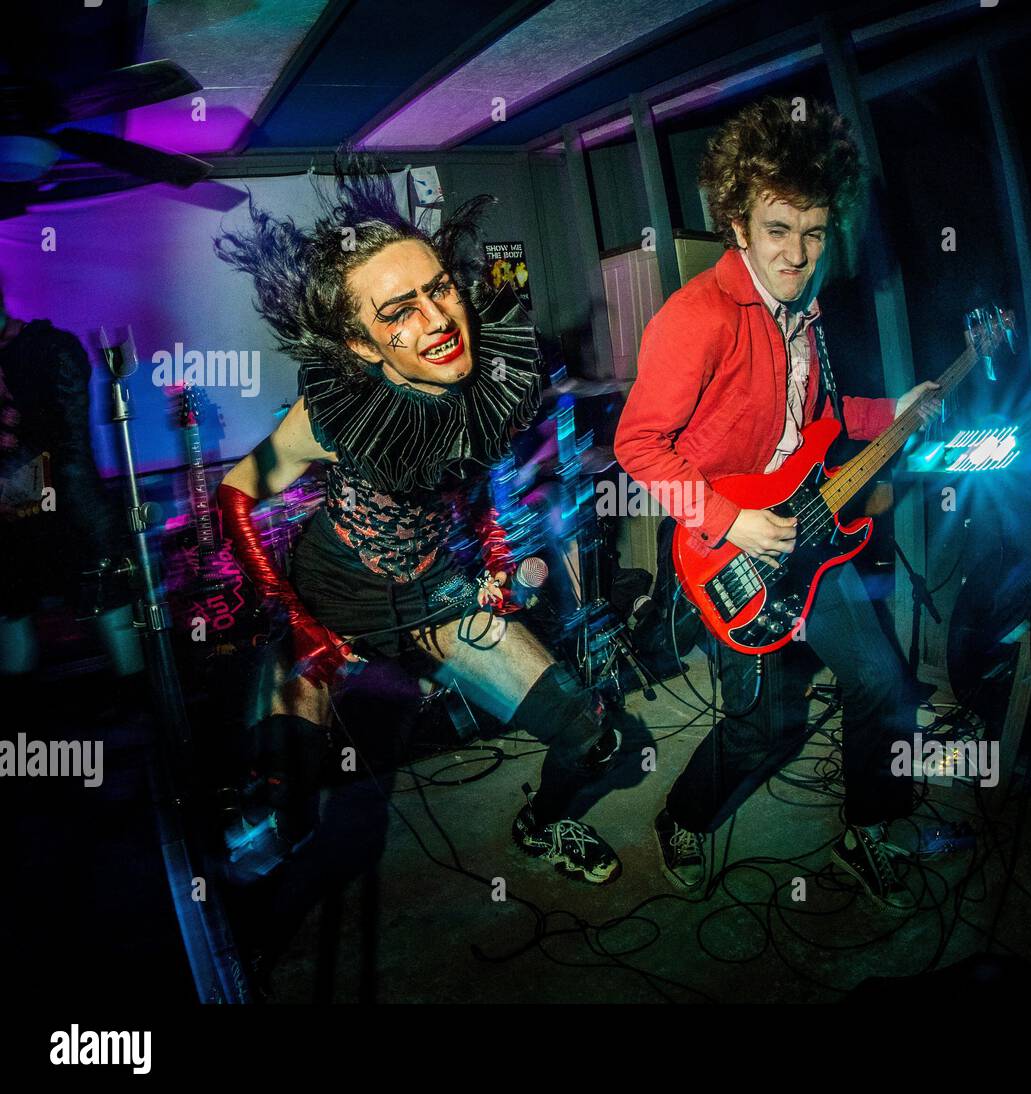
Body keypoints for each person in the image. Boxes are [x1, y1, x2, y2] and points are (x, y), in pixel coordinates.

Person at [213, 154, 623, 889]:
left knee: (590, 730)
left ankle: (542, 823)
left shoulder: (488, 378)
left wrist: (497, 560)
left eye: (439, 290)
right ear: (364, 344)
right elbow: (235, 493)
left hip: (436, 591)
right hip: (333, 593)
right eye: (399, 309)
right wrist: (296, 620)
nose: (437, 321)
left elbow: (485, 478)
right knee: (277, 795)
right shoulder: (333, 415)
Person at [614, 97, 941, 910]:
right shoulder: (697, 318)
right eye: (778, 229)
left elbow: (819, 421)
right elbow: (636, 447)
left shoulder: (806, 313)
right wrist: (731, 519)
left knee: (883, 688)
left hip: (807, 528)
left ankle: (867, 835)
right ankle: (681, 816)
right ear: (737, 223)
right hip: (727, 546)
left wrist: (895, 407)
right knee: (764, 728)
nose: (798, 253)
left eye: (815, 231)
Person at [0, 275, 141, 697]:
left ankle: (143, 710)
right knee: (10, 611)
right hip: (12, 519)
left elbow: (67, 436)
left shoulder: (51, 347)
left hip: (68, 502)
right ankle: (20, 729)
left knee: (105, 602)